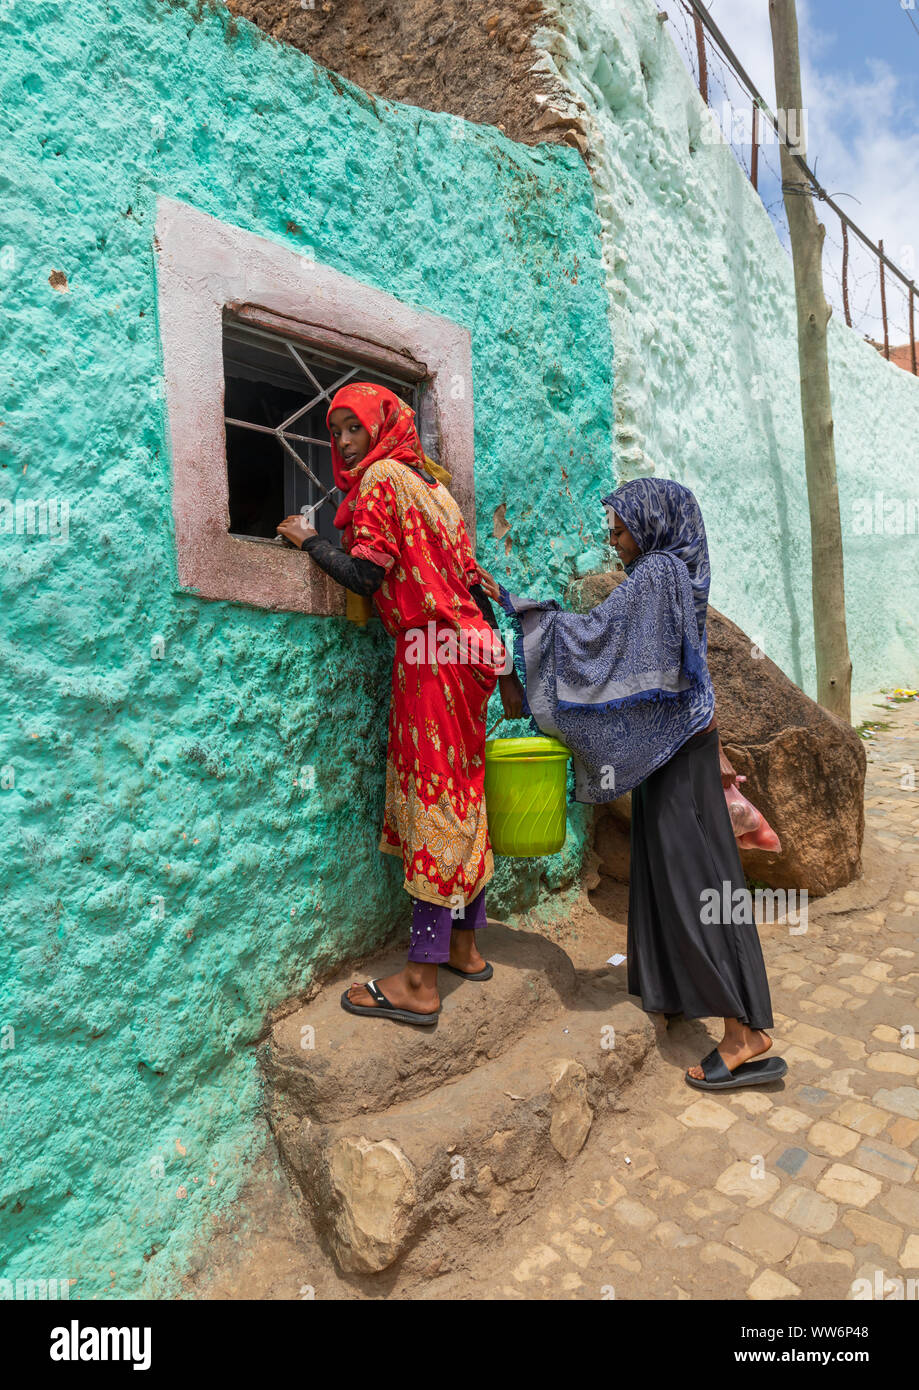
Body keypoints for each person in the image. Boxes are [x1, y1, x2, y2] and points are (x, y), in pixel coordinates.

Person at [478, 478, 785, 1091]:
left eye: (619, 530)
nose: (614, 542)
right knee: (669, 872)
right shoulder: (675, 571)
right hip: (678, 745)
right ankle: (671, 990)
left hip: (678, 751)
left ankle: (745, 1032)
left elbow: (597, 641)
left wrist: (526, 615)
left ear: (650, 526)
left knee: (696, 879)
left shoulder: (658, 574)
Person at [277, 383, 525, 1025]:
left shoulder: (386, 479)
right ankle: (465, 947)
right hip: (471, 655)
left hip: (432, 658)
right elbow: (473, 579)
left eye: (352, 428)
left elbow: (367, 575)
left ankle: (420, 978)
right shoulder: (437, 490)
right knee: (464, 792)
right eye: (335, 432)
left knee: (435, 806)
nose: (342, 442)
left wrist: (307, 541)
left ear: (385, 427)